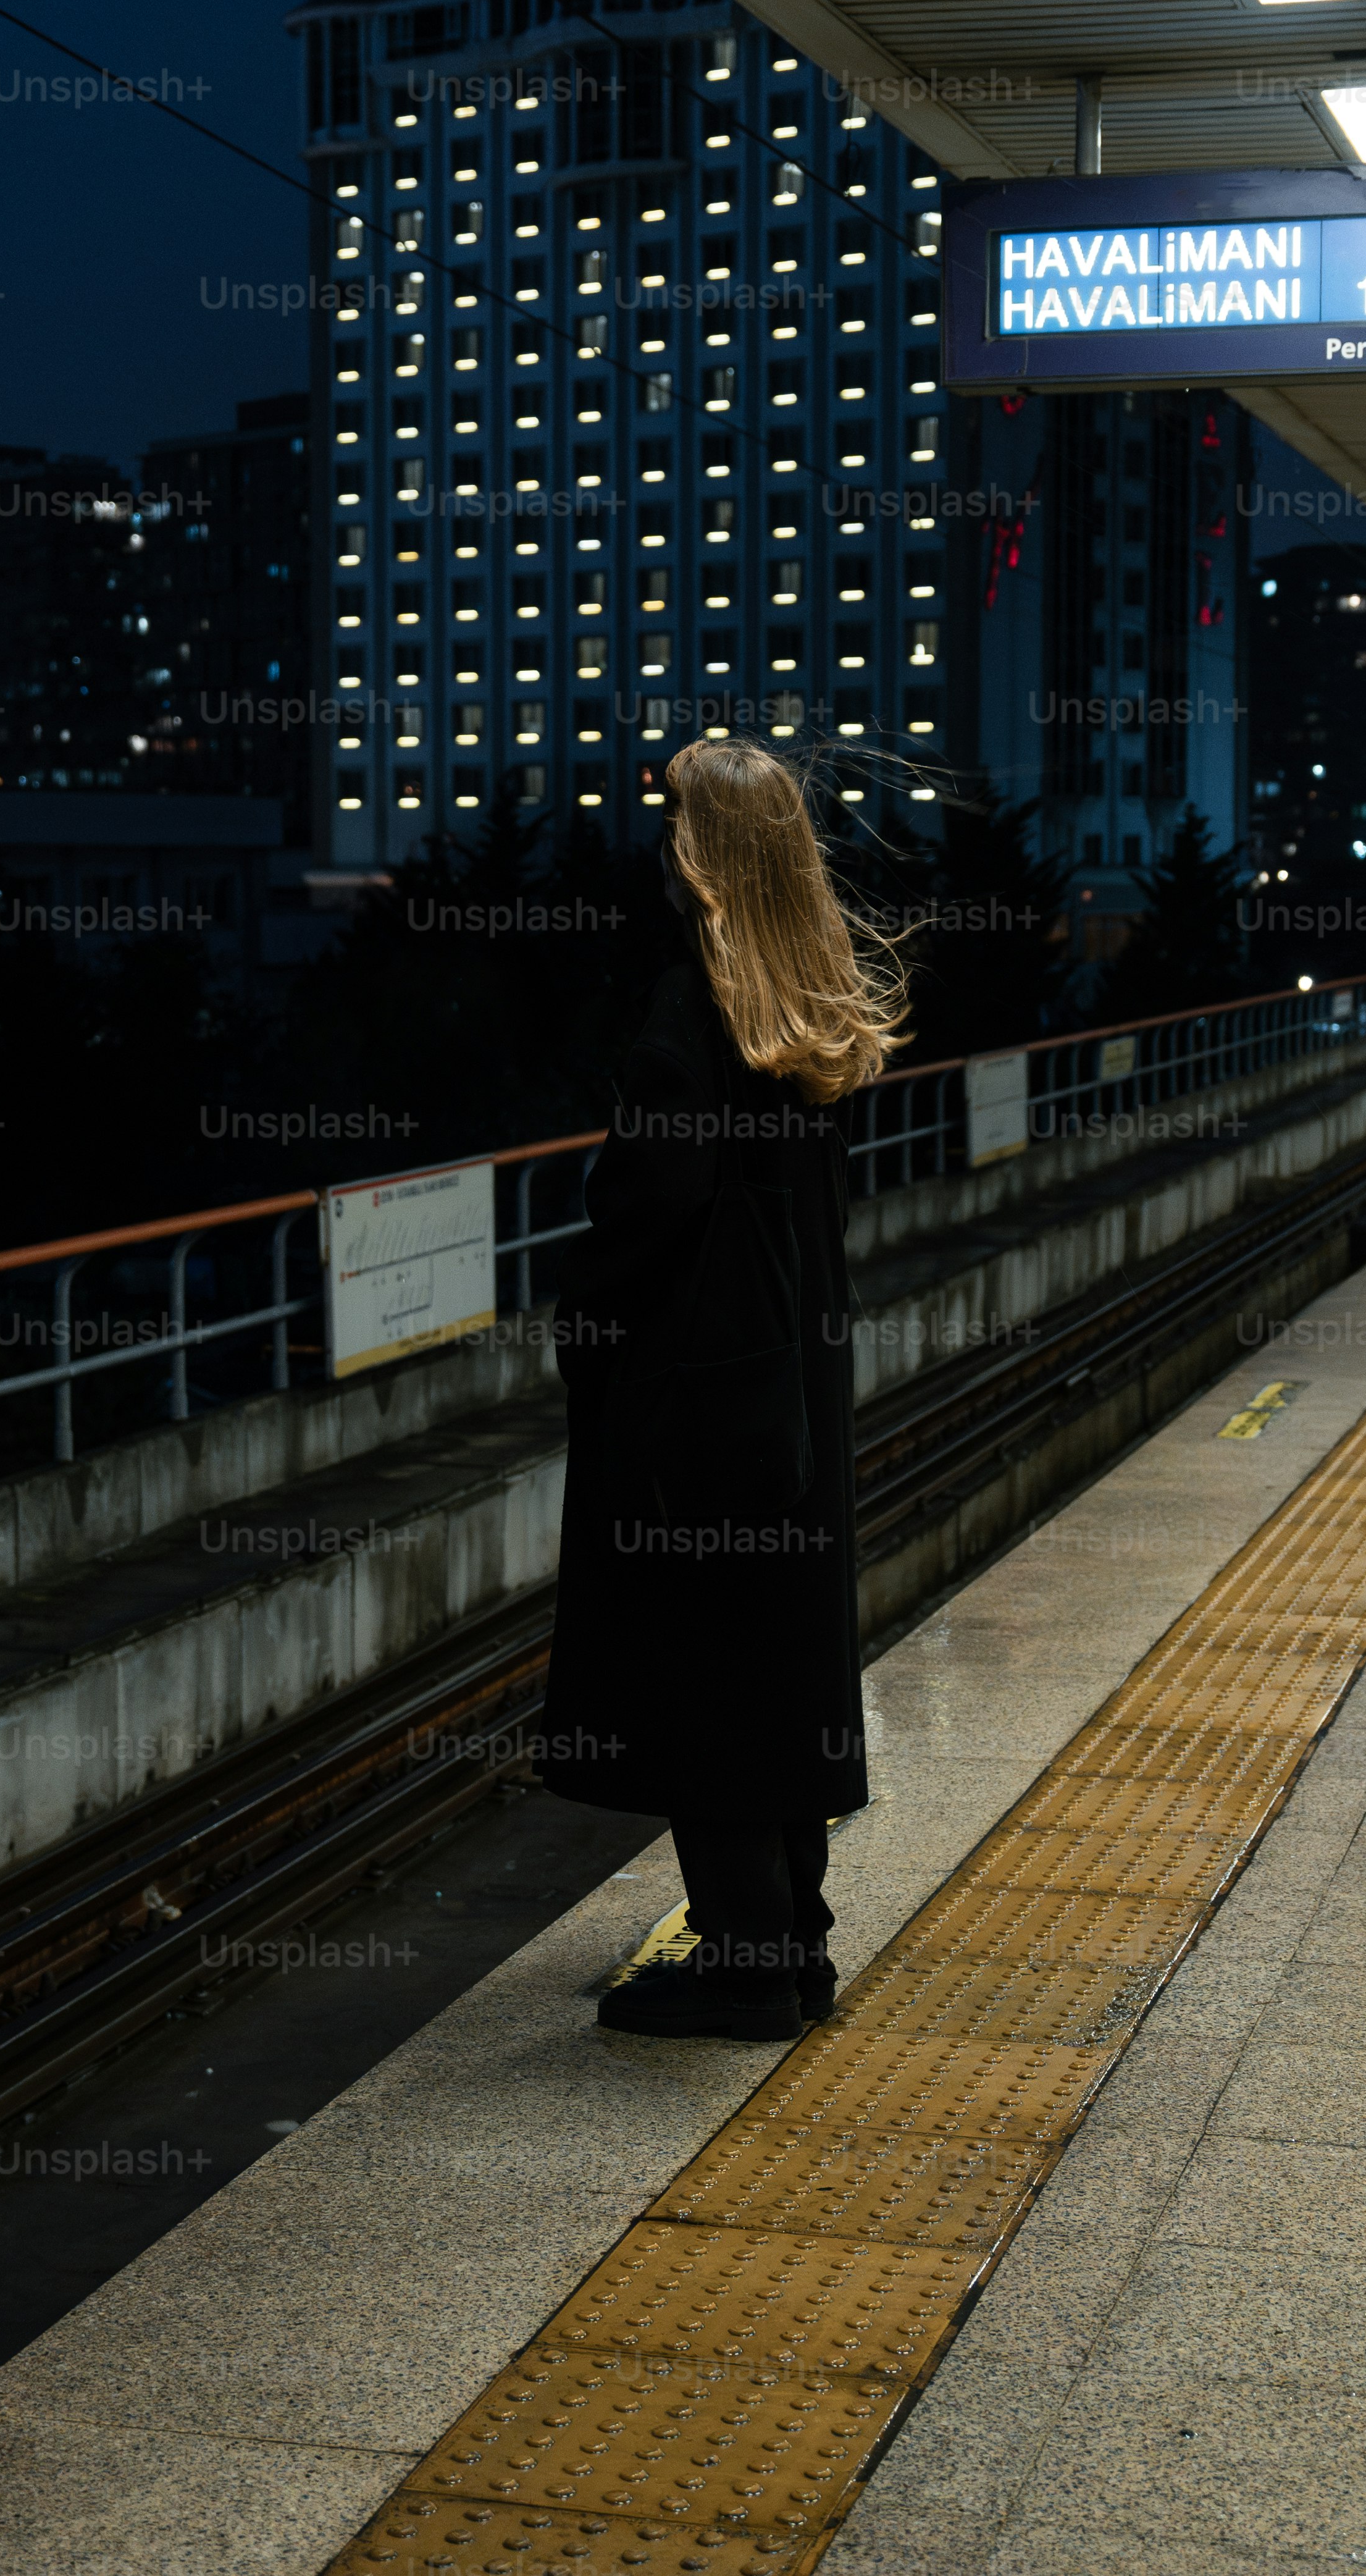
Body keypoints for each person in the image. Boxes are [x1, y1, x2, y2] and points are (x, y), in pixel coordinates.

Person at [542, 741, 907, 2041]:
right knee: (776, 1665)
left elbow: (651, 1203)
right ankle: (788, 1946)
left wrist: (580, 1317)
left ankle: (747, 1969)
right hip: (787, 1391)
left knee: (698, 1669)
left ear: (700, 856)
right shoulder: (804, 1005)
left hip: (695, 1400)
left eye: (671, 830)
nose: (655, 853)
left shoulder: (687, 1005)